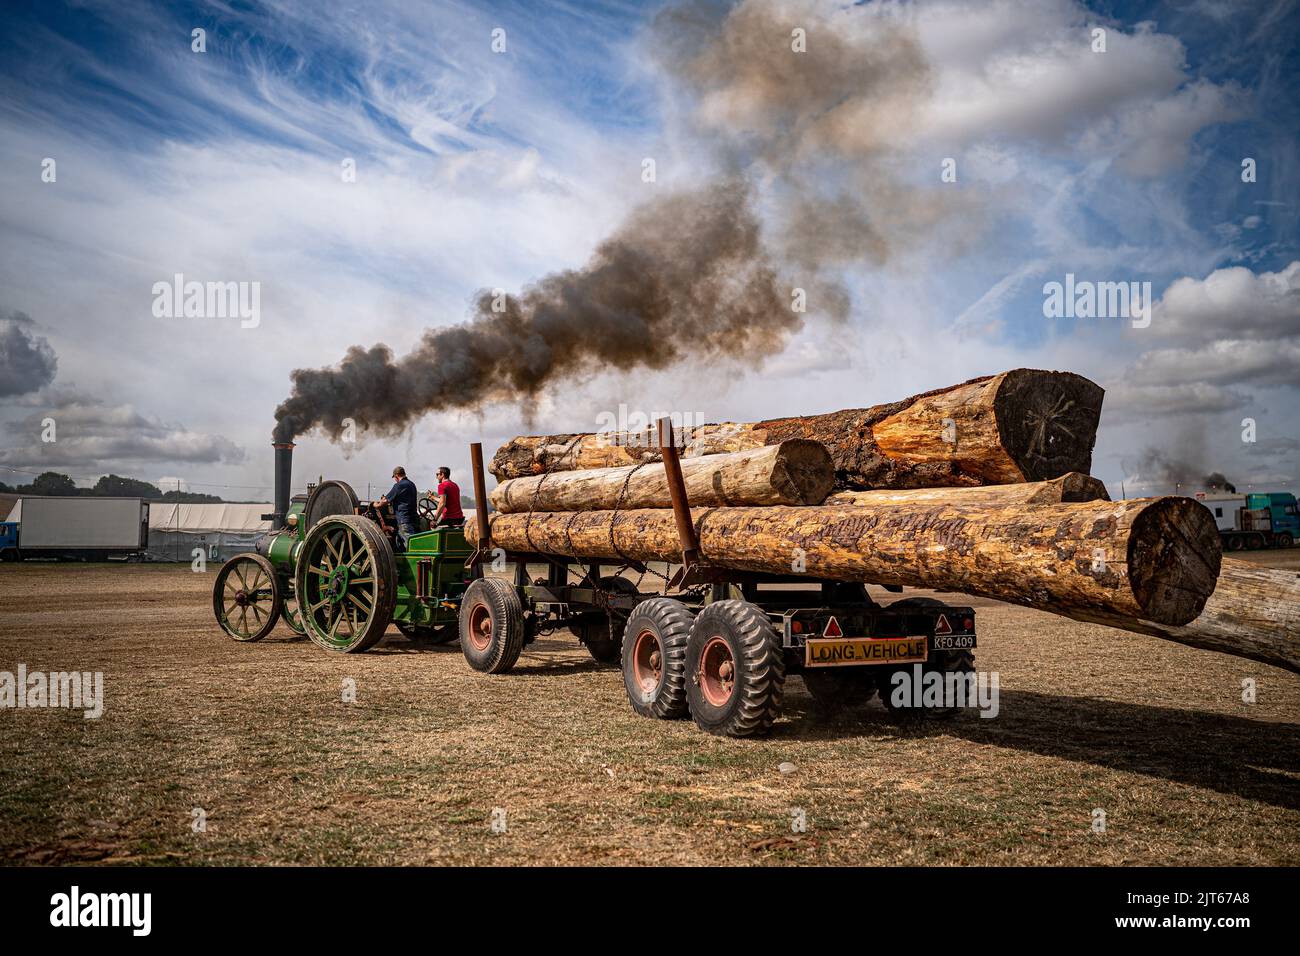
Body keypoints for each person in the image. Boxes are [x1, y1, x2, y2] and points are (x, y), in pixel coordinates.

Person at [377, 466, 418, 549]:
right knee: (402, 544)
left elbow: (385, 501)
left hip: (404, 519)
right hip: (414, 519)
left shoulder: (398, 485)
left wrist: (375, 505)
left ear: (396, 476)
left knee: (411, 547)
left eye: (394, 478)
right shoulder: (412, 484)